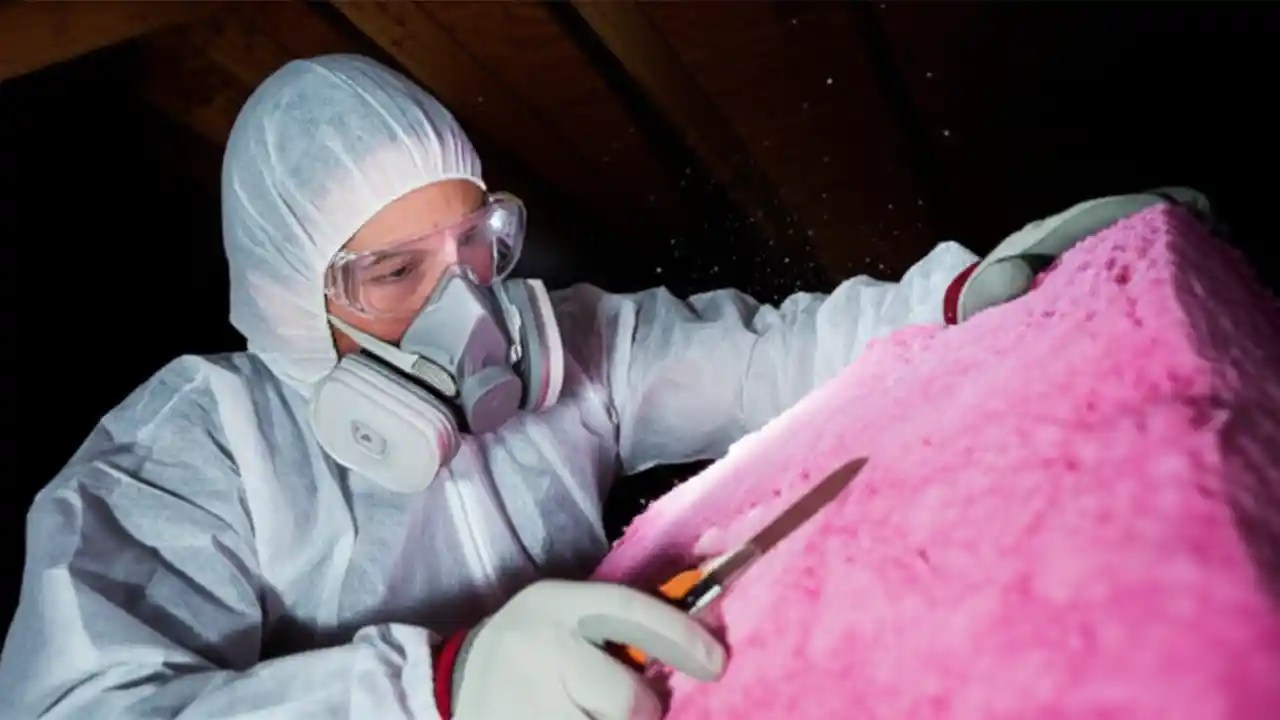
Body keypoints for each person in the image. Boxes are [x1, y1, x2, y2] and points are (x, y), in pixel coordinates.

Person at [0, 53, 1208, 719]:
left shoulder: (563, 346)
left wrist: (958, 294)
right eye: (392, 272)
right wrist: (435, 694)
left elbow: (772, 355)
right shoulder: (191, 456)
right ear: (284, 298)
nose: (466, 304)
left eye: (475, 240)